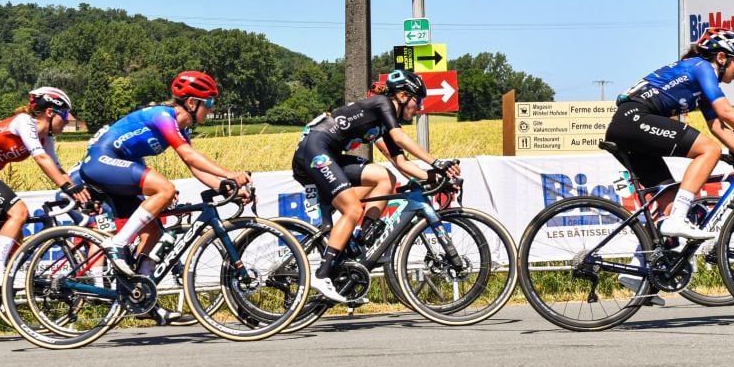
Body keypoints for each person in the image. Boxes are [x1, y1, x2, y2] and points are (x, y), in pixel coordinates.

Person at [604, 28, 734, 297]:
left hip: (629, 125)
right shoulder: (702, 66)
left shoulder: (700, 81)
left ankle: (638, 270)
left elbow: (719, 126)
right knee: (709, 151)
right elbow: (727, 112)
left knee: (668, 200)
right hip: (634, 119)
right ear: (721, 57)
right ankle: (677, 220)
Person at [77, 71, 251, 324]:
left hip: (115, 169)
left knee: (154, 233)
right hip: (101, 162)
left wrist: (228, 188)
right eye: (210, 103)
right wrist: (231, 174)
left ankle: (141, 296)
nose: (211, 110)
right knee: (165, 189)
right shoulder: (163, 116)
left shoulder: (182, 129)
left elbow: (196, 169)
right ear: (192, 103)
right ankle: (118, 245)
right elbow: (191, 158)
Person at [292, 69, 460, 303]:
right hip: (314, 150)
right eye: (417, 100)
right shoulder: (383, 103)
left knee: (385, 178)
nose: (419, 106)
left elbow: (401, 163)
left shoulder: (383, 126)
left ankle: (362, 241)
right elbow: (401, 138)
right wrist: (437, 161)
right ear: (402, 96)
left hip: (328, 153)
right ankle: (323, 275)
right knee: (352, 209)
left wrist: (434, 177)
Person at [0, 87, 92, 286]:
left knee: (16, 233)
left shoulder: (46, 138)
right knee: (19, 212)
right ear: (50, 112)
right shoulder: (24, 122)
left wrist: (80, 193)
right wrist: (67, 188)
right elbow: (40, 158)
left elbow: (58, 170)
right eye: (65, 115)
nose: (68, 121)